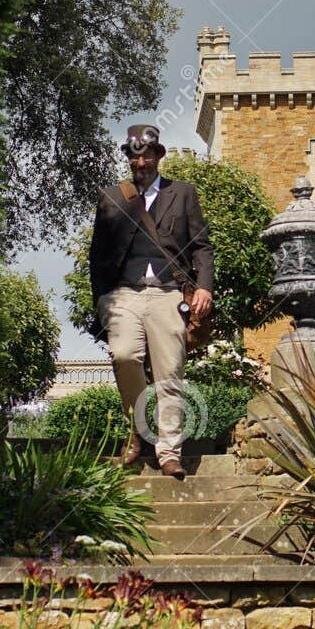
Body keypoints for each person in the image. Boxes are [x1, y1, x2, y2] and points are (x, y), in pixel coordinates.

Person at [87, 125, 214, 479]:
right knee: (124, 355)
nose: (140, 161)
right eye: (134, 155)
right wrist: (101, 298)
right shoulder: (112, 197)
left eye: (146, 154)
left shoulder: (183, 193)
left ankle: (169, 451)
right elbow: (97, 255)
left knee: (169, 372)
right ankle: (137, 434)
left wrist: (204, 287)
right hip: (123, 294)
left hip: (168, 292)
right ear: (128, 158)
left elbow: (201, 246)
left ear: (158, 156)